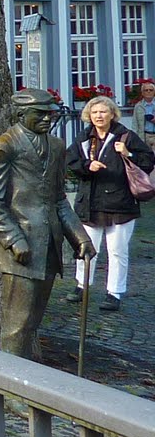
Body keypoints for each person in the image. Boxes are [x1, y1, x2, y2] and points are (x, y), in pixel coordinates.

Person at [0, 87, 93, 357]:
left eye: (50, 113)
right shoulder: (3, 146)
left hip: (49, 245)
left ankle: (30, 376)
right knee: (16, 324)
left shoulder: (56, 146)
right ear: (20, 114)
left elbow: (59, 199)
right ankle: (12, 389)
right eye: (40, 114)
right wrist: (14, 239)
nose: (48, 118)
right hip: (20, 249)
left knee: (34, 321)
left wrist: (80, 237)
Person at [65, 93, 152, 311]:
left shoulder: (125, 136)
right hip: (90, 202)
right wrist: (87, 166)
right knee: (85, 248)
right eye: (94, 112)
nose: (98, 116)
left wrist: (128, 153)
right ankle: (81, 285)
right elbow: (71, 160)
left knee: (117, 250)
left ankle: (114, 292)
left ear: (112, 114)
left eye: (103, 111)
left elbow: (149, 161)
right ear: (88, 116)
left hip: (120, 203)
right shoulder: (84, 137)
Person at [135, 80, 155, 145]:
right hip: (144, 136)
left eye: (151, 90)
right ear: (142, 93)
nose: (148, 92)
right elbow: (135, 124)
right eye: (146, 90)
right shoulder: (138, 106)